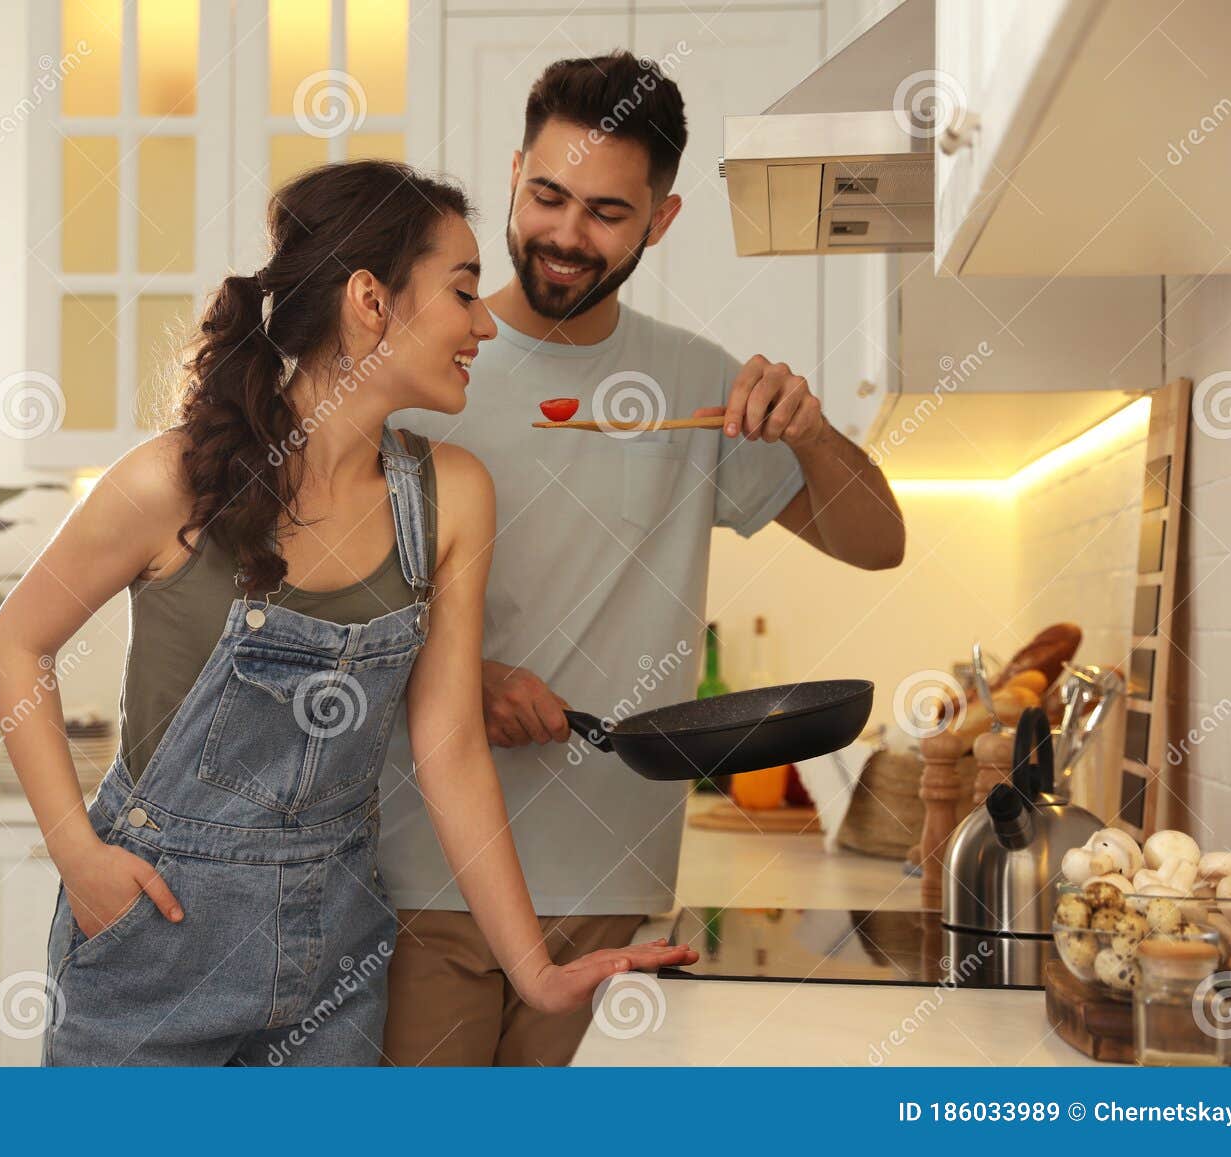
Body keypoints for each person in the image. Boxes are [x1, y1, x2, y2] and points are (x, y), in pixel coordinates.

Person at [0, 159, 698, 1067]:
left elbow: (450, 752)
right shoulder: (172, 481)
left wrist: (536, 973)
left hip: (335, 961)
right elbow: (17, 641)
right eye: (463, 291)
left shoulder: (451, 498)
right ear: (371, 300)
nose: (485, 322)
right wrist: (77, 854)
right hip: (155, 943)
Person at [379, 52, 907, 1066]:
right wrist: (463, 678)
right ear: (514, 177)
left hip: (612, 882)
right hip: (422, 871)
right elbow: (322, 597)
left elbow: (879, 542)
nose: (566, 234)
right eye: (548, 195)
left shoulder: (698, 384)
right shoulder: (426, 367)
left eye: (607, 212)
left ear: (659, 221)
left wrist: (810, 432)